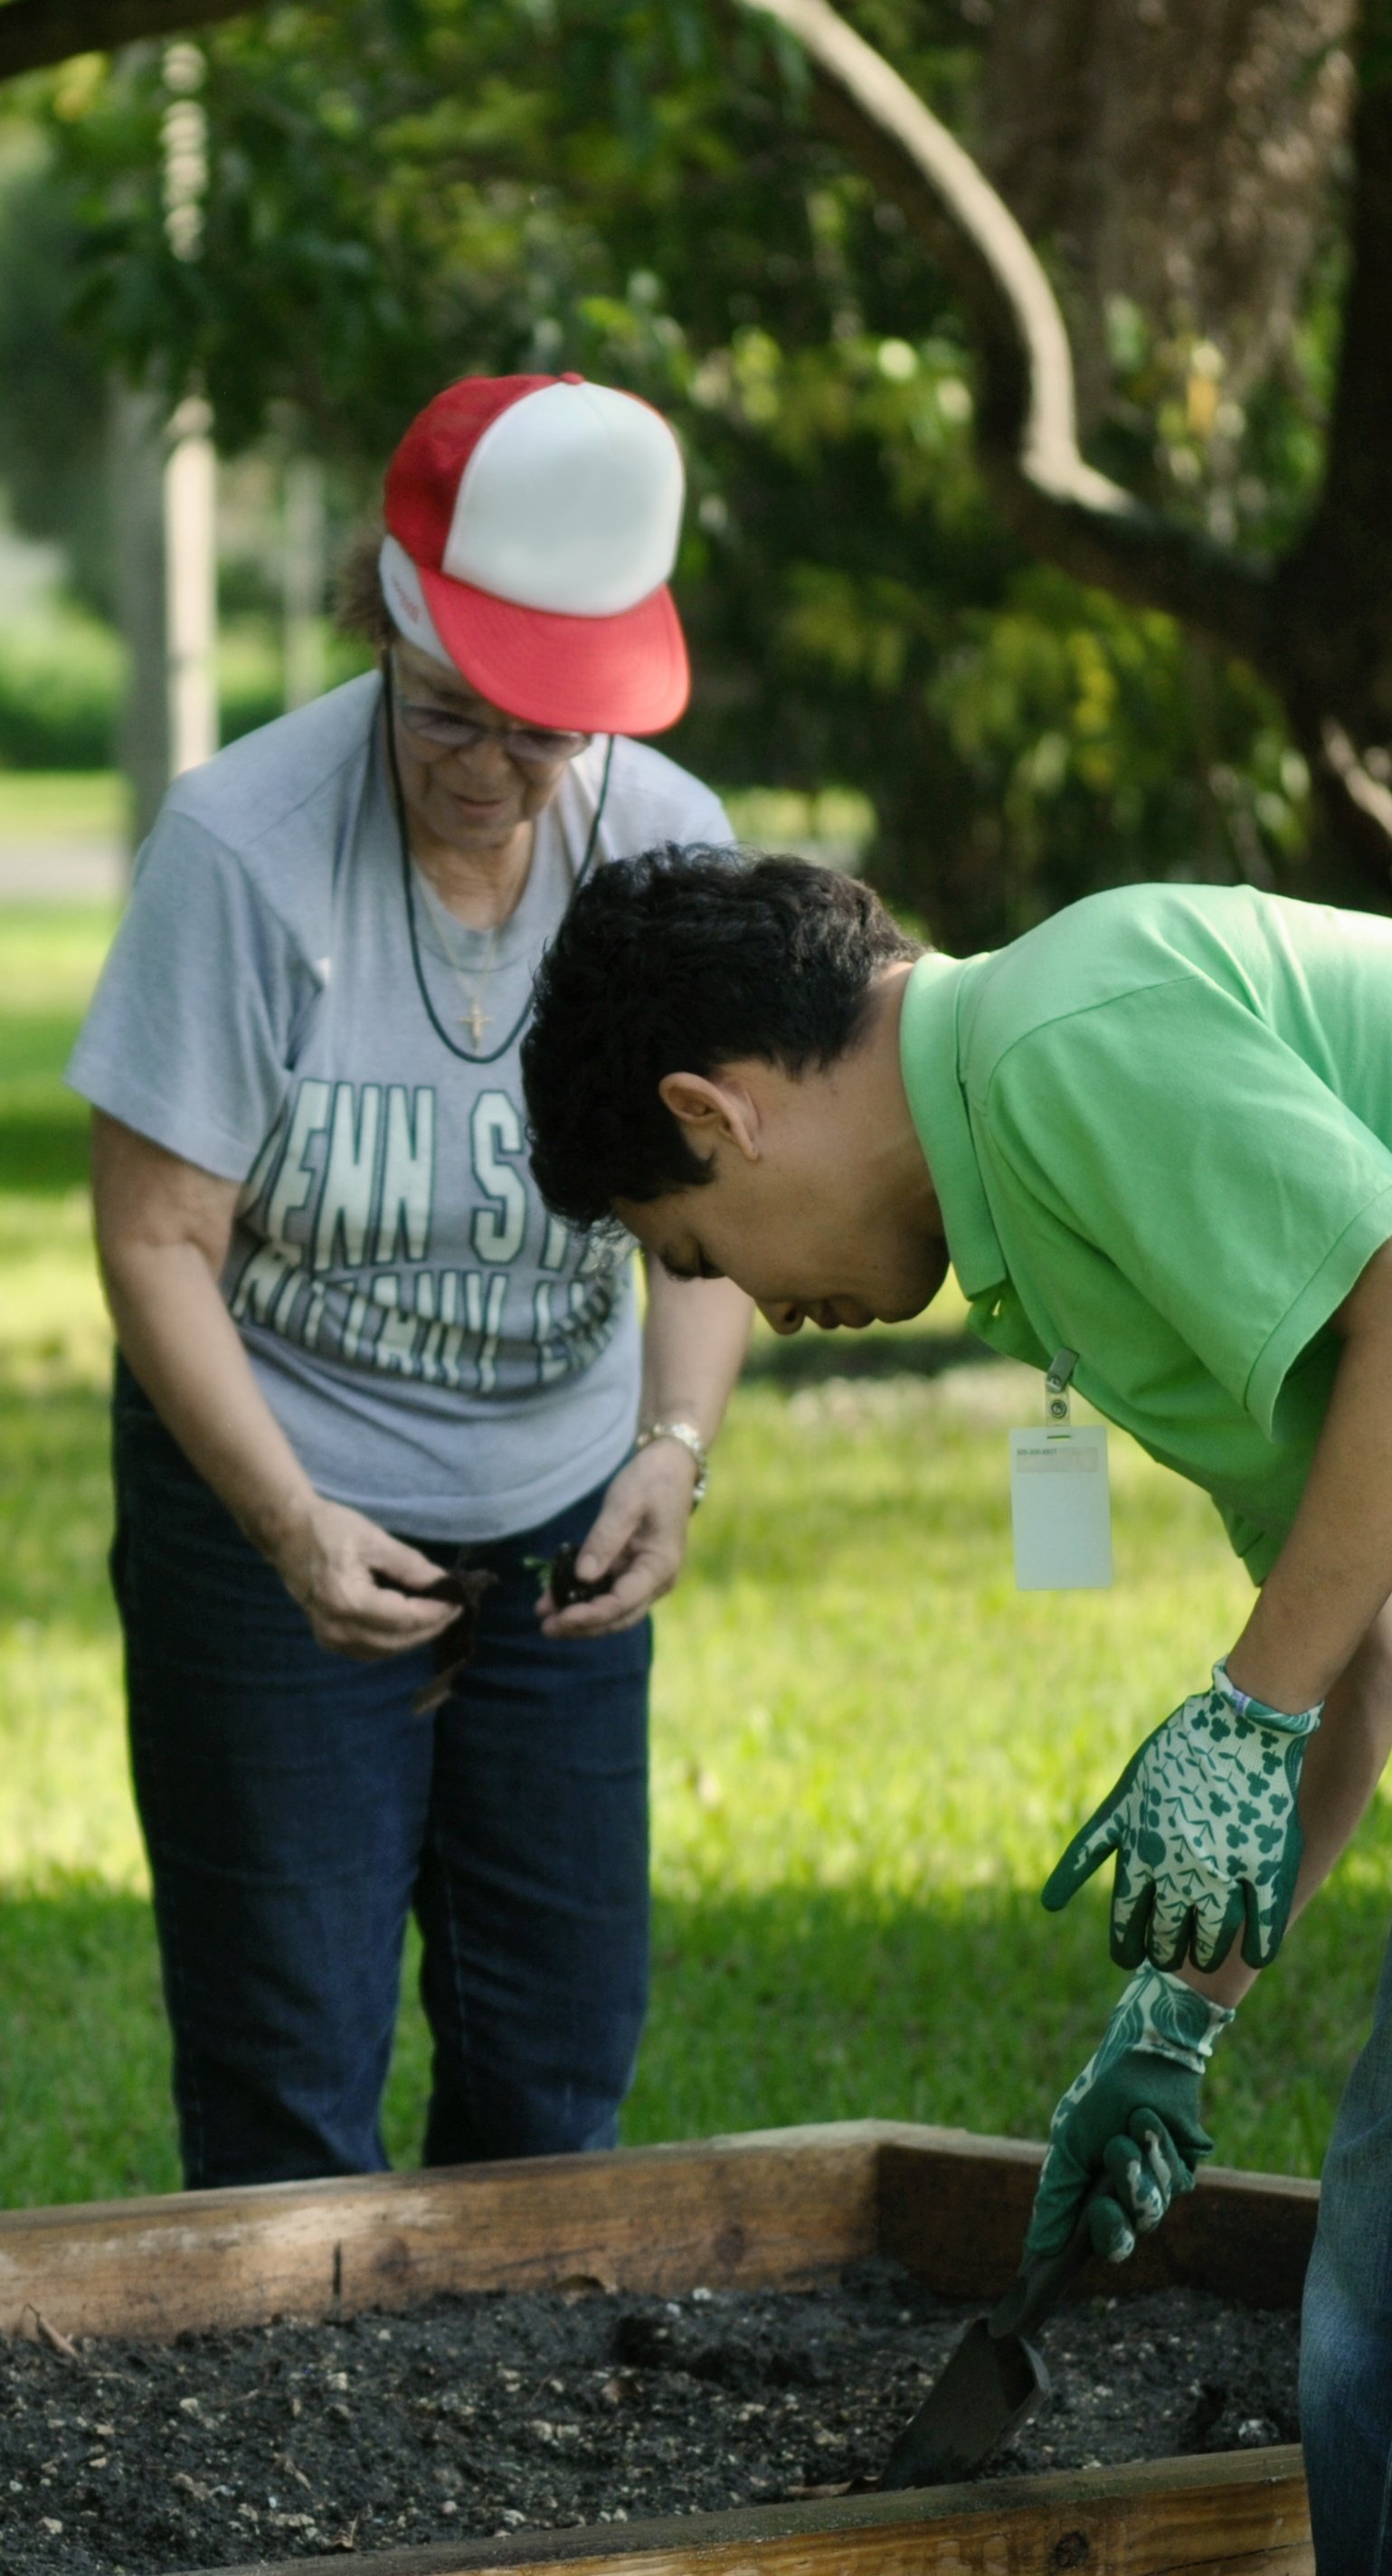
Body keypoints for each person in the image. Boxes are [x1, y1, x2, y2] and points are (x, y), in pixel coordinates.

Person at [519, 847, 1392, 2575]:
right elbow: (1360, 1648)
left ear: (719, 1113)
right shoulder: (1047, 1162)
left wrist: (1240, 1716)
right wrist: (1172, 2027)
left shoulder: (1061, 1035)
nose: (766, 1308)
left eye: (693, 1246)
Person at [68, 378, 753, 2190]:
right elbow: (152, 1238)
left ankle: (513, 2466)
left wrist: (672, 1446)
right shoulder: (246, 851)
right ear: (383, 618)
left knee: (557, 2072)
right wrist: (293, 1526)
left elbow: (718, 1206)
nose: (491, 768)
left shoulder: (663, 843)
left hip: (558, 1525)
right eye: (452, 707)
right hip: (273, 1510)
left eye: (545, 734)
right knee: (287, 2080)